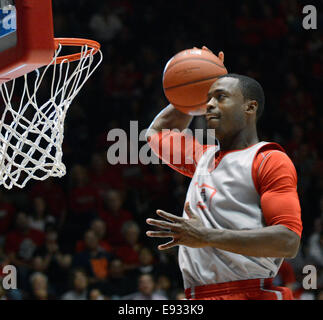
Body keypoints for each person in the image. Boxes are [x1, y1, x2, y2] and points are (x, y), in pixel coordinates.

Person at [145, 47, 302, 300]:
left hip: (250, 293)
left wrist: (206, 236)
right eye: (207, 98)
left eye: (220, 97)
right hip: (198, 296)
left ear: (250, 107)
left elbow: (287, 241)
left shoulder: (269, 160)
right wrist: (190, 89)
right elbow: (157, 131)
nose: (208, 104)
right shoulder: (202, 157)